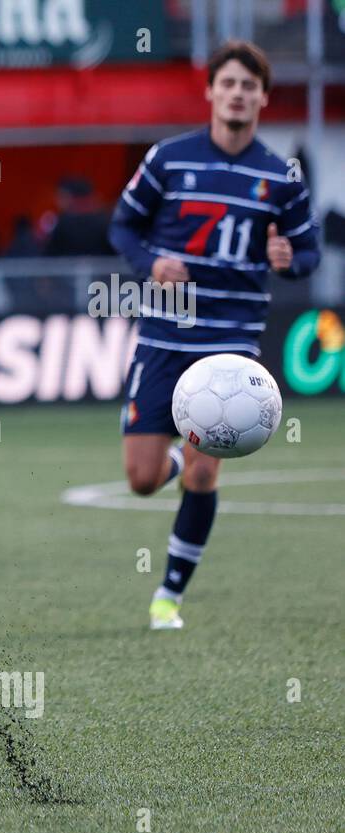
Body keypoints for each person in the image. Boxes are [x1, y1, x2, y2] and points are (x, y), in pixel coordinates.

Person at [109, 41, 319, 630]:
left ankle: (168, 597)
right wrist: (151, 262)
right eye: (228, 83)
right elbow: (123, 226)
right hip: (164, 334)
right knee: (142, 480)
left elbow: (310, 252)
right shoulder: (168, 158)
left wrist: (289, 260)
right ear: (210, 91)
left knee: (205, 473)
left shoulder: (282, 176)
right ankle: (181, 452)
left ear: (263, 98)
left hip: (231, 343)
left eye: (249, 86)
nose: (237, 94)